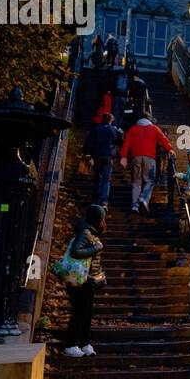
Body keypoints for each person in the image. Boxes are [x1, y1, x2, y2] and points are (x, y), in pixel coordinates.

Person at [64, 204, 107, 357]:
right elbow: (76, 251)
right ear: (97, 219)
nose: (104, 221)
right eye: (102, 218)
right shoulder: (86, 232)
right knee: (80, 312)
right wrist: (96, 248)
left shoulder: (91, 232)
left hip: (86, 281)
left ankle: (84, 343)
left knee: (87, 312)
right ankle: (71, 344)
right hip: (80, 281)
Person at [120, 116, 173, 215]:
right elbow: (163, 139)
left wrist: (123, 156)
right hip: (149, 157)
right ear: (149, 121)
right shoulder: (154, 128)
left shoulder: (133, 129)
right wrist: (170, 149)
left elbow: (126, 143)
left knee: (136, 181)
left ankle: (134, 205)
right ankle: (143, 199)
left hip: (135, 157)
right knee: (149, 180)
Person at [82, 113, 124, 205]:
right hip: (108, 156)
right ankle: (104, 200)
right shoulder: (114, 130)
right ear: (111, 120)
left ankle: (96, 197)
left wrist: (86, 153)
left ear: (102, 119)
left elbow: (89, 143)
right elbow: (120, 142)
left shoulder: (95, 129)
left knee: (97, 176)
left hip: (97, 155)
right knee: (106, 178)